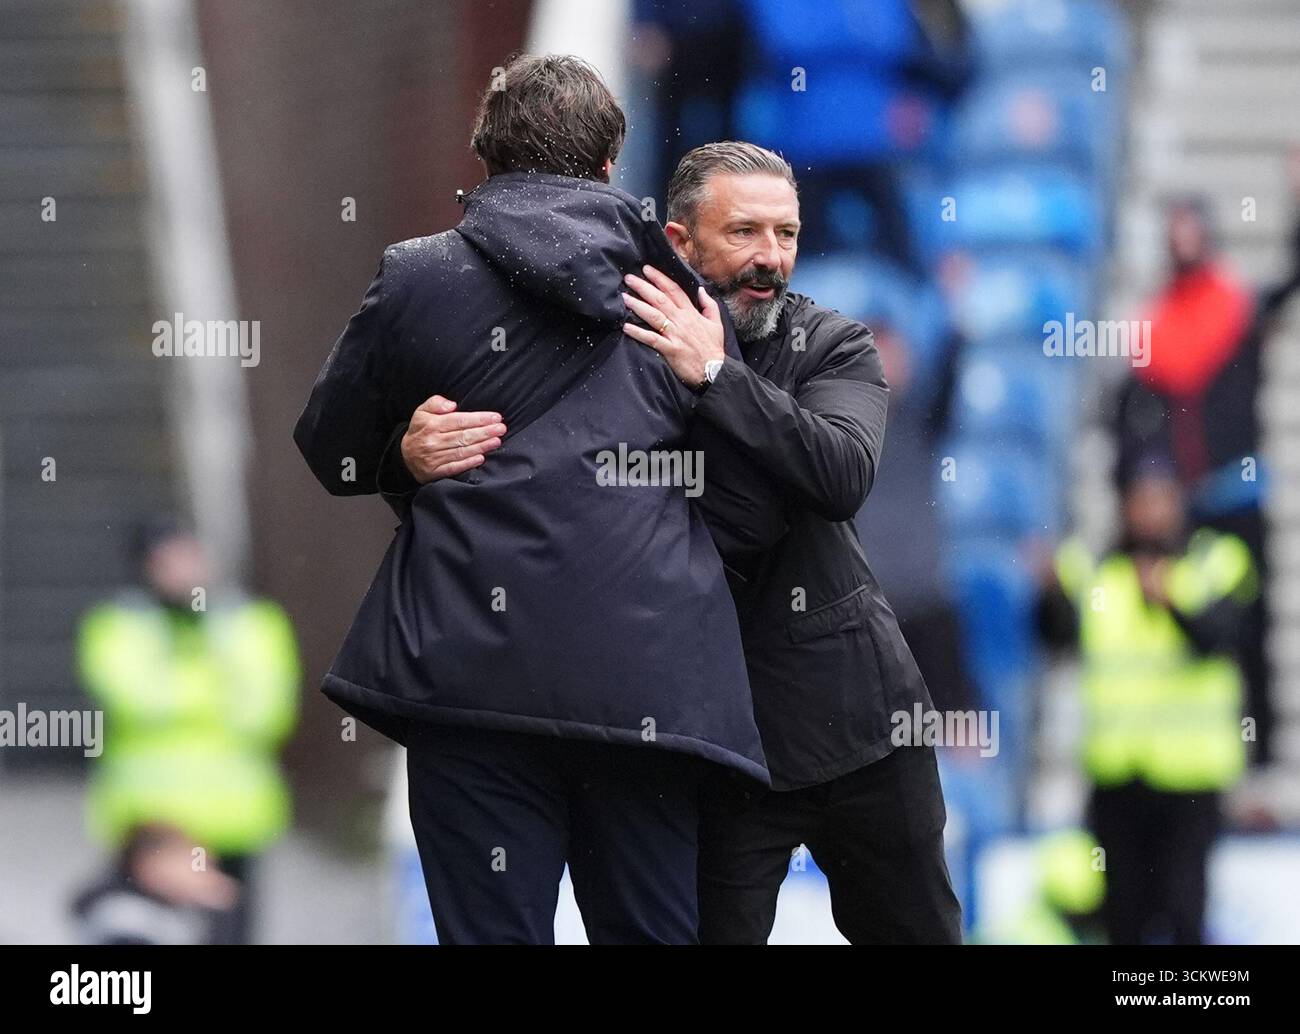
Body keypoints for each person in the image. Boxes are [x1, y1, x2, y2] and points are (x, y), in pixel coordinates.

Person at [396, 141, 963, 944]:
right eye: (744, 233)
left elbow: (839, 475)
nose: (771, 258)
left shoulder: (833, 342)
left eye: (787, 234)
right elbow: (534, 487)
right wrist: (407, 454)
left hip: (860, 729)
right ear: (678, 241)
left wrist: (718, 377)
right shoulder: (607, 353)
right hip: (713, 749)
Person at [293, 56, 784, 945]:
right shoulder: (681, 300)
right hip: (650, 689)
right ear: (607, 166)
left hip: (470, 682)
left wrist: (402, 457)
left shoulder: (416, 276)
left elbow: (329, 451)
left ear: (482, 155)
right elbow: (751, 497)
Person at [1037, 471, 1255, 944]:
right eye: (1141, 500)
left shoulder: (1216, 561)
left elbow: (1219, 637)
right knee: (1123, 915)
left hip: (1191, 779)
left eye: (1161, 498)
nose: (1151, 512)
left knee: (1183, 909)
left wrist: (1171, 602)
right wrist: (1049, 590)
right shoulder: (1094, 568)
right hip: (1118, 776)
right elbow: (1055, 636)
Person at [76, 517, 300, 944]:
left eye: (190, 556)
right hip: (152, 825)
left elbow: (267, 711)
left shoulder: (256, 621)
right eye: (169, 559)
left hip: (235, 819)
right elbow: (136, 700)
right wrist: (219, 686)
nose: (184, 570)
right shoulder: (115, 624)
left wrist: (178, 684)